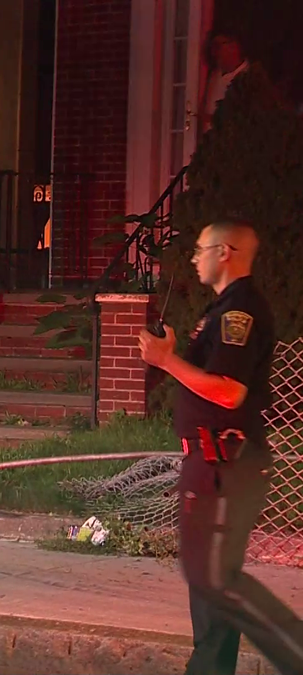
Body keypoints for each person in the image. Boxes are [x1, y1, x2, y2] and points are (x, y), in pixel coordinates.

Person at [138, 221, 303, 675]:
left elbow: (230, 392)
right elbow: (206, 382)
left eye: (200, 250)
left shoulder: (240, 312)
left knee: (214, 582)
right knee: (209, 581)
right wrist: (175, 358)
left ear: (225, 252)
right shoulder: (222, 310)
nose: (194, 258)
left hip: (224, 464)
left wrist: (167, 361)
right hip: (210, 462)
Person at [201, 32, 249, 132]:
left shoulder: (247, 79)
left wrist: (209, 118)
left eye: (217, 47)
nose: (214, 53)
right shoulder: (215, 74)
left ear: (233, 47)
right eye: (212, 47)